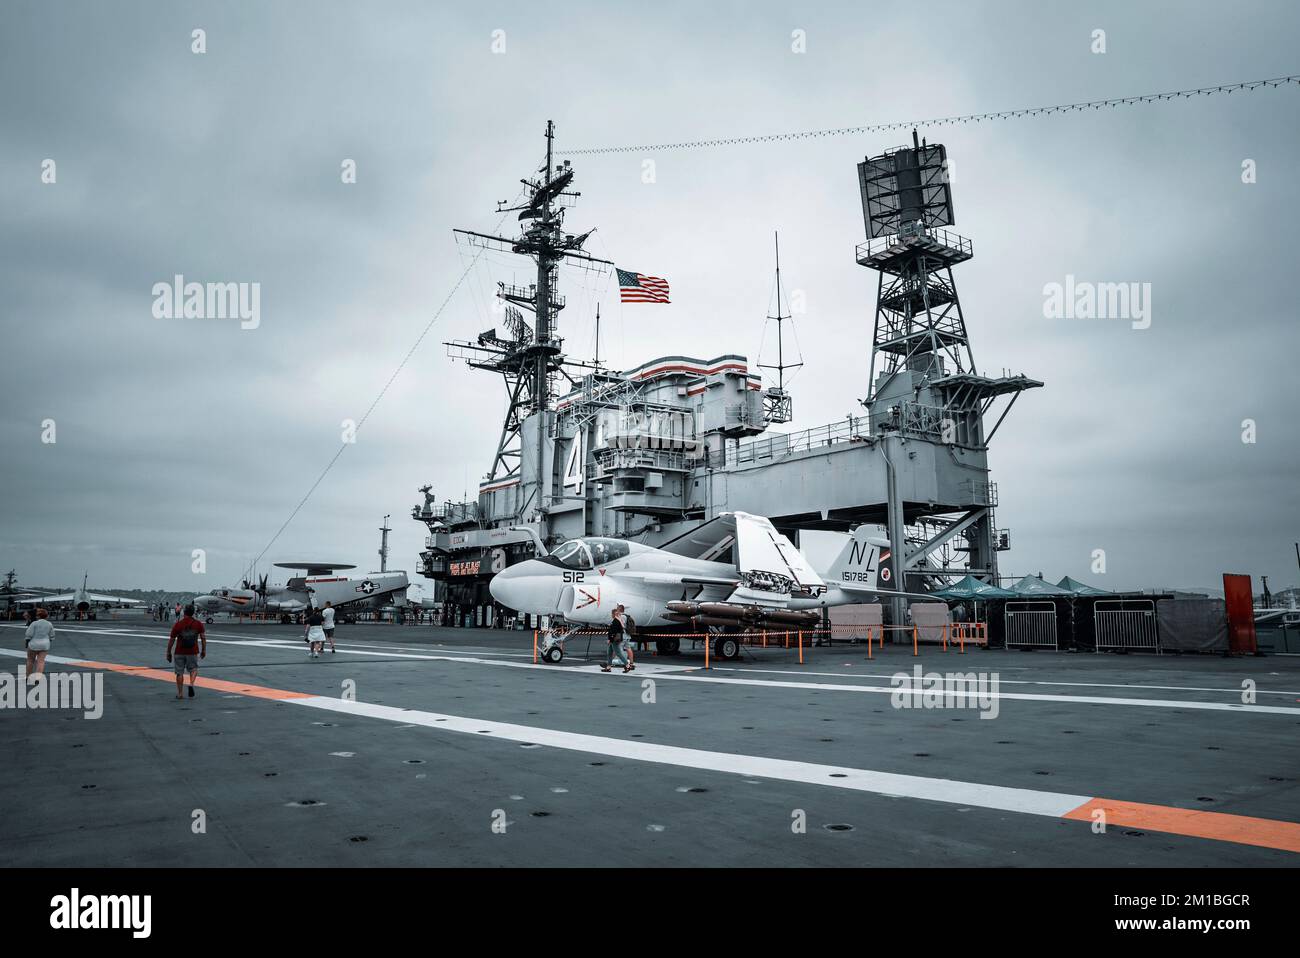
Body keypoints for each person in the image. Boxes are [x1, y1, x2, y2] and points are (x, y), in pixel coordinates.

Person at [166, 604, 206, 700]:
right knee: (193, 669)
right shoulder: (198, 624)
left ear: (184, 612)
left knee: (179, 672)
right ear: (193, 612)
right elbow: (203, 638)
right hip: (192, 651)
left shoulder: (178, 624)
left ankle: (180, 694)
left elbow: (171, 640)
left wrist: (168, 652)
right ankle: (191, 684)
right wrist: (203, 650)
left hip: (179, 651)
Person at [24, 608, 55, 679]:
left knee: (30, 661)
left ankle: (28, 677)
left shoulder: (34, 623)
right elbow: (52, 635)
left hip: (33, 644)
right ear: (46, 616)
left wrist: (26, 643)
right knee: (41, 662)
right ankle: (37, 678)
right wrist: (48, 641)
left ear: (38, 616)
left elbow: (28, 634)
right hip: (44, 645)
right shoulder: (49, 624)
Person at [601, 608, 632, 673]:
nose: (611, 615)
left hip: (614, 640)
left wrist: (610, 639)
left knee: (618, 653)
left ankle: (627, 665)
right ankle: (608, 667)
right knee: (609, 653)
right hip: (615, 639)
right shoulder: (618, 620)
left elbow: (613, 632)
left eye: (612, 614)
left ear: (614, 614)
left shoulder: (615, 621)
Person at [616, 604, 636, 668]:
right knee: (628, 649)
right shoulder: (627, 616)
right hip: (627, 635)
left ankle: (623, 663)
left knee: (617, 649)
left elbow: (621, 626)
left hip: (622, 636)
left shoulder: (621, 617)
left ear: (619, 609)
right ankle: (631, 663)